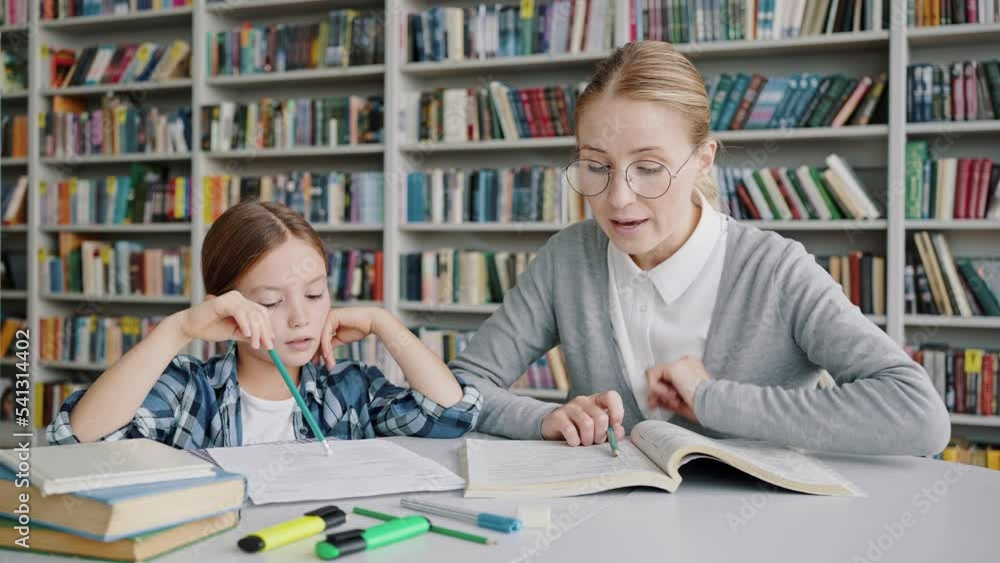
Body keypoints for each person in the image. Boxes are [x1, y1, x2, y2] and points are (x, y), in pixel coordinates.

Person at [449, 40, 951, 455]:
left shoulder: (774, 270)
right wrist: (546, 418)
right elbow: (463, 386)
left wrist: (712, 399)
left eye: (649, 167)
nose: (618, 199)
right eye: (596, 166)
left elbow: (918, 415)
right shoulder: (568, 259)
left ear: (703, 160)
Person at [47, 201, 481, 448]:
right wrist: (178, 329)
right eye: (271, 301)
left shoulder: (351, 387)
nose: (300, 317)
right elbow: (77, 440)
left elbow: (450, 415)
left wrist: (383, 323)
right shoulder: (190, 390)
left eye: (314, 294)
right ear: (226, 307)